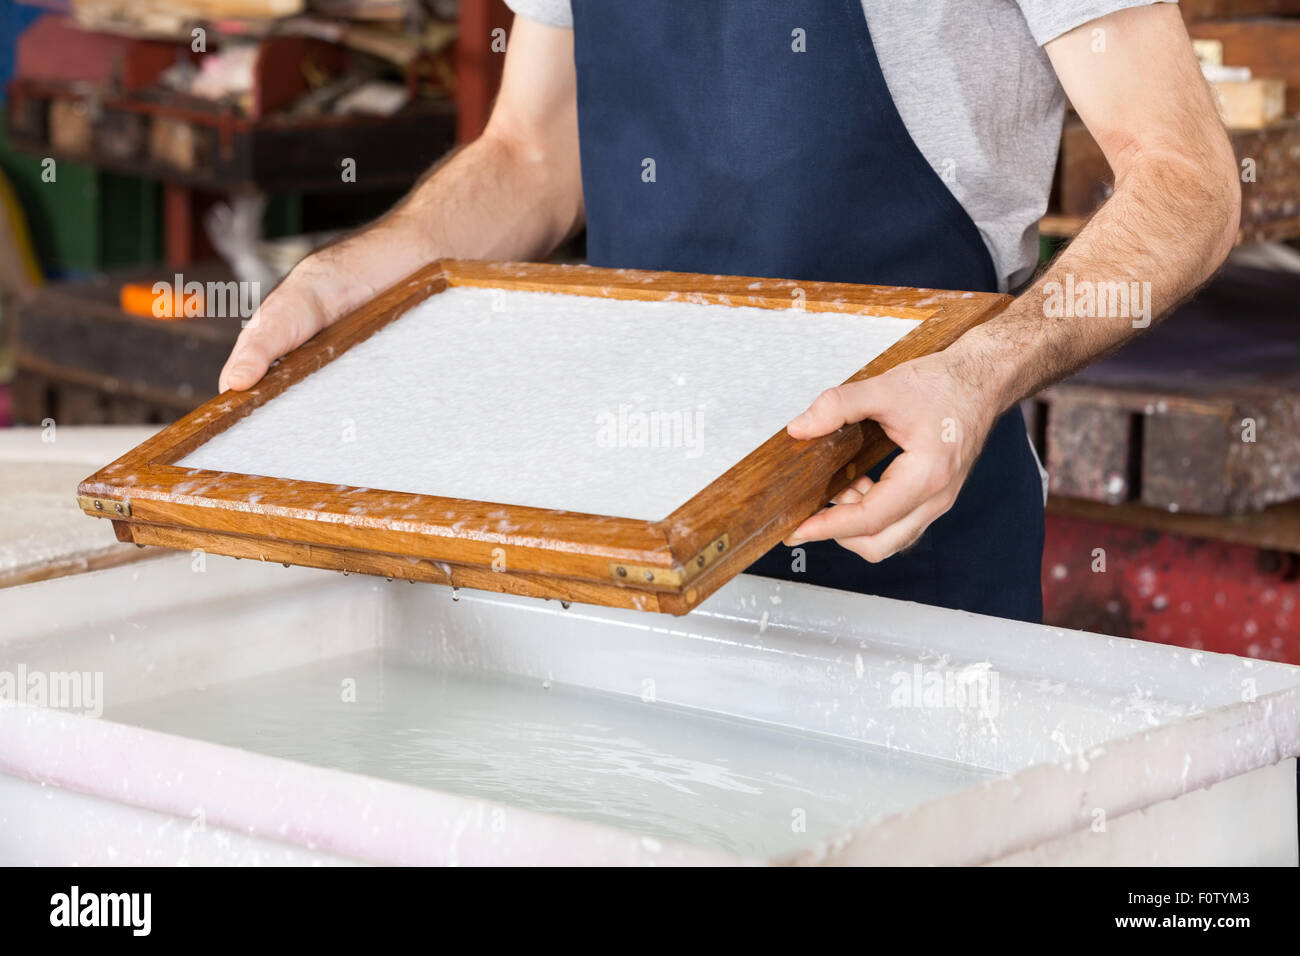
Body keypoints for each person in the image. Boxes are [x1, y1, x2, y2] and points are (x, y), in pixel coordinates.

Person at [218, 1, 1239, 624]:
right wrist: (357, 274)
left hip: (902, 541)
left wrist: (978, 373)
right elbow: (532, 155)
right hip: (623, 528)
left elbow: (1186, 180)